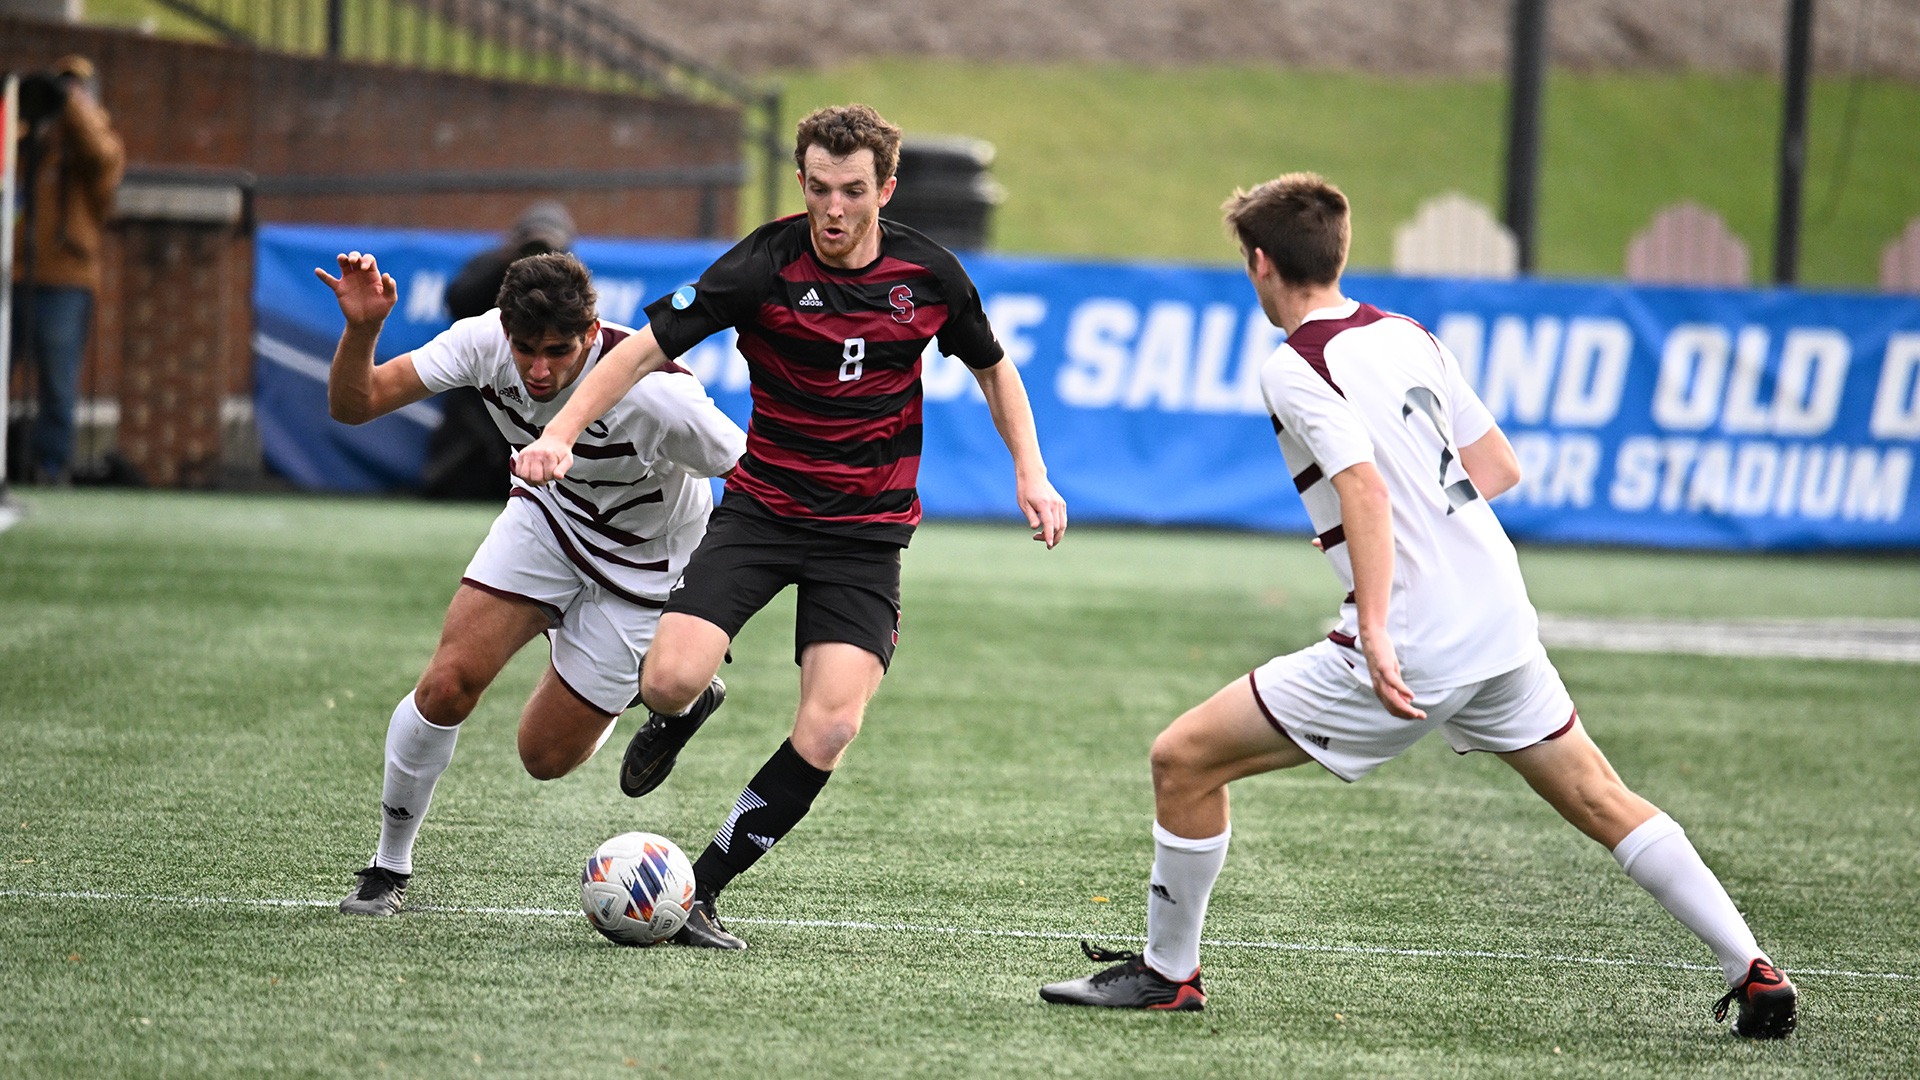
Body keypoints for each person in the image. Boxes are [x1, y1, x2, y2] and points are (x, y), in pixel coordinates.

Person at [1037, 173, 1796, 1039]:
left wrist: (1374, 622)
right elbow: (1498, 467)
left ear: (1259, 265)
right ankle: (1755, 968)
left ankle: (1170, 976)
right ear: (1339, 251)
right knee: (1600, 796)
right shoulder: (1408, 334)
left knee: (1183, 761)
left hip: (1417, 635)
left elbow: (1361, 485)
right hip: (1499, 615)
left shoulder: (1294, 364)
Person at [513, 103, 1068, 949]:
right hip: (764, 510)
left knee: (832, 726)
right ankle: (684, 710)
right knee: (666, 682)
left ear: (885, 187)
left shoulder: (931, 274)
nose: (833, 210)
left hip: (867, 534)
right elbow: (634, 353)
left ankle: (703, 890)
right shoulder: (763, 264)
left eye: (852, 191)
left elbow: (995, 369)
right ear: (801, 182)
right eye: (817, 188)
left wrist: (1031, 471)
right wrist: (556, 432)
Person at [315, 249, 745, 920]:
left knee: (543, 757)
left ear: (592, 333)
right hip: (547, 521)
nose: (539, 370)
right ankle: (386, 868)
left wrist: (707, 608)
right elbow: (355, 405)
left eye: (559, 351)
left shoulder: (661, 394)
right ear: (504, 329)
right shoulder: (483, 342)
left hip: (645, 565)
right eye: (525, 349)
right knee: (446, 684)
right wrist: (363, 329)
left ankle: (670, 687)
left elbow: (751, 477)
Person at [9, 54, 124, 485]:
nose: (65, 96)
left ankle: (51, 466)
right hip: (16, 274)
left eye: (77, 88)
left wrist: (72, 106)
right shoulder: (33, 143)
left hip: (66, 281)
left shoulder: (100, 145)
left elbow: (98, 156)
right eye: (62, 87)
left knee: (57, 384)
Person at [421, 202, 579, 500]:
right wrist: (508, 264)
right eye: (532, 242)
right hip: (482, 382)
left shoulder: (569, 277)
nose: (538, 253)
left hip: (537, 384)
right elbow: (458, 302)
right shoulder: (492, 264)